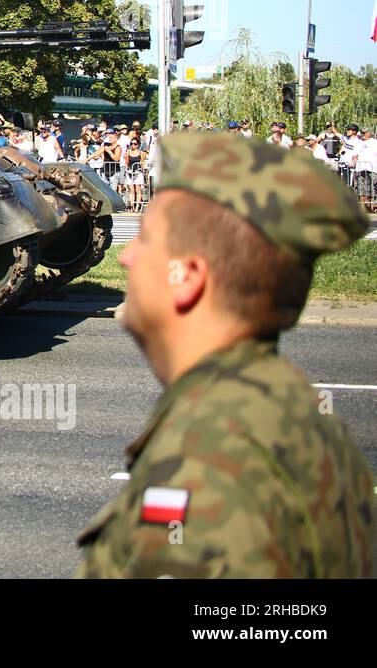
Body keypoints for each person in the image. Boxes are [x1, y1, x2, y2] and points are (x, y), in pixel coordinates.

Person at [76, 132, 373, 577]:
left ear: (188, 278)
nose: (127, 258)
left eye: (148, 240)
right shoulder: (279, 410)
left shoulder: (211, 462)